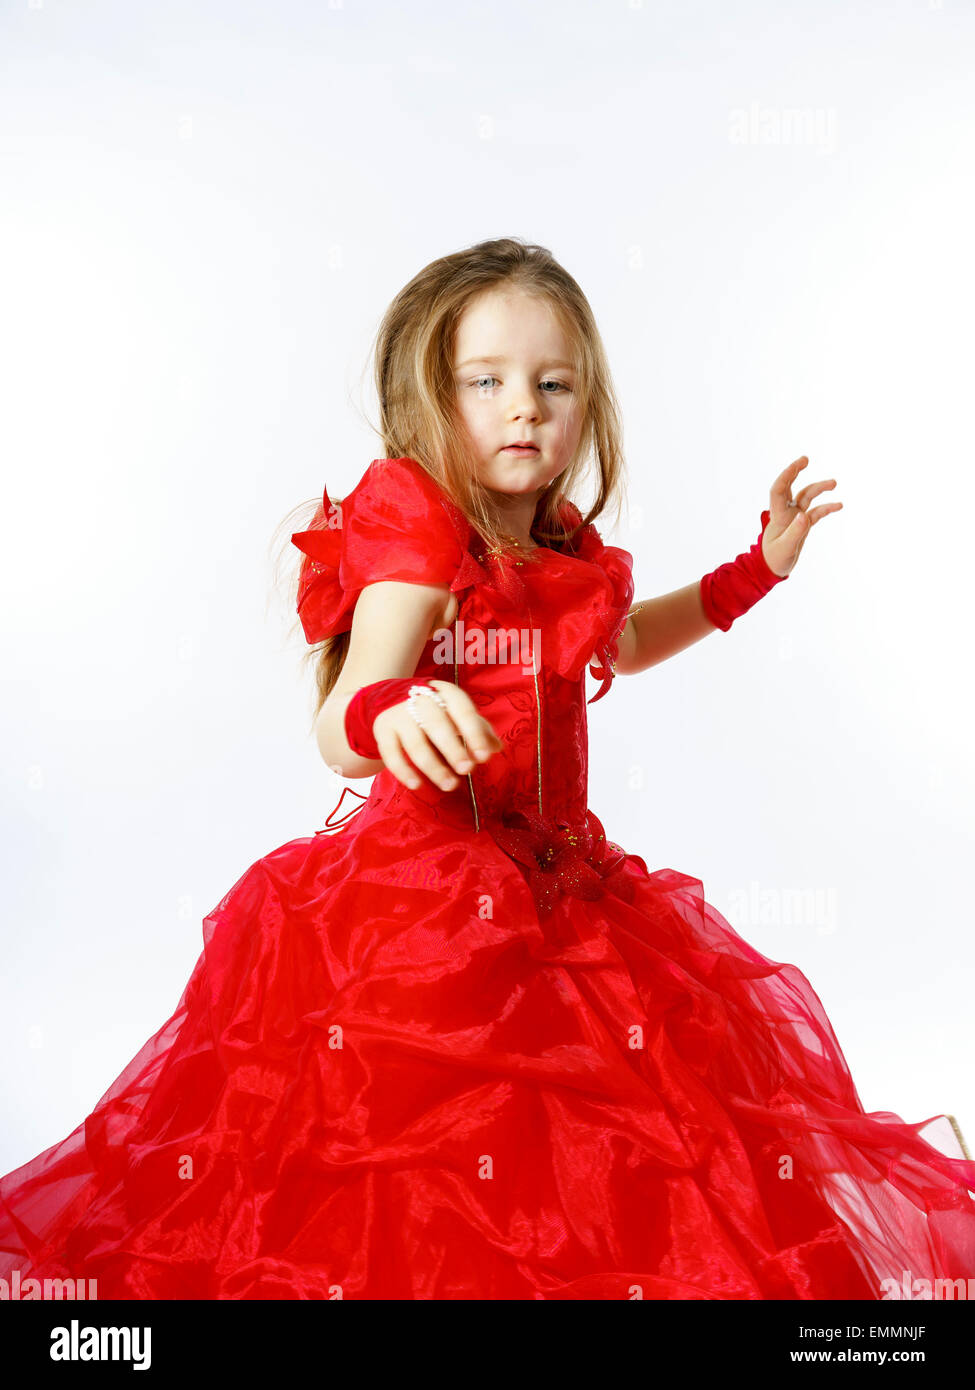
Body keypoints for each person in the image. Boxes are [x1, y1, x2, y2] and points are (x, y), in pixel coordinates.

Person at [2, 237, 973, 1301]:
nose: (525, 407)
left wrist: (755, 572)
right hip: (423, 906)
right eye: (489, 381)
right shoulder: (422, 536)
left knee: (615, 1141)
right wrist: (399, 704)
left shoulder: (566, 549)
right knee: (425, 1160)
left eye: (553, 384)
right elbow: (340, 717)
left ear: (586, 404)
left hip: (567, 887)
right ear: (434, 395)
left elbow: (626, 643)